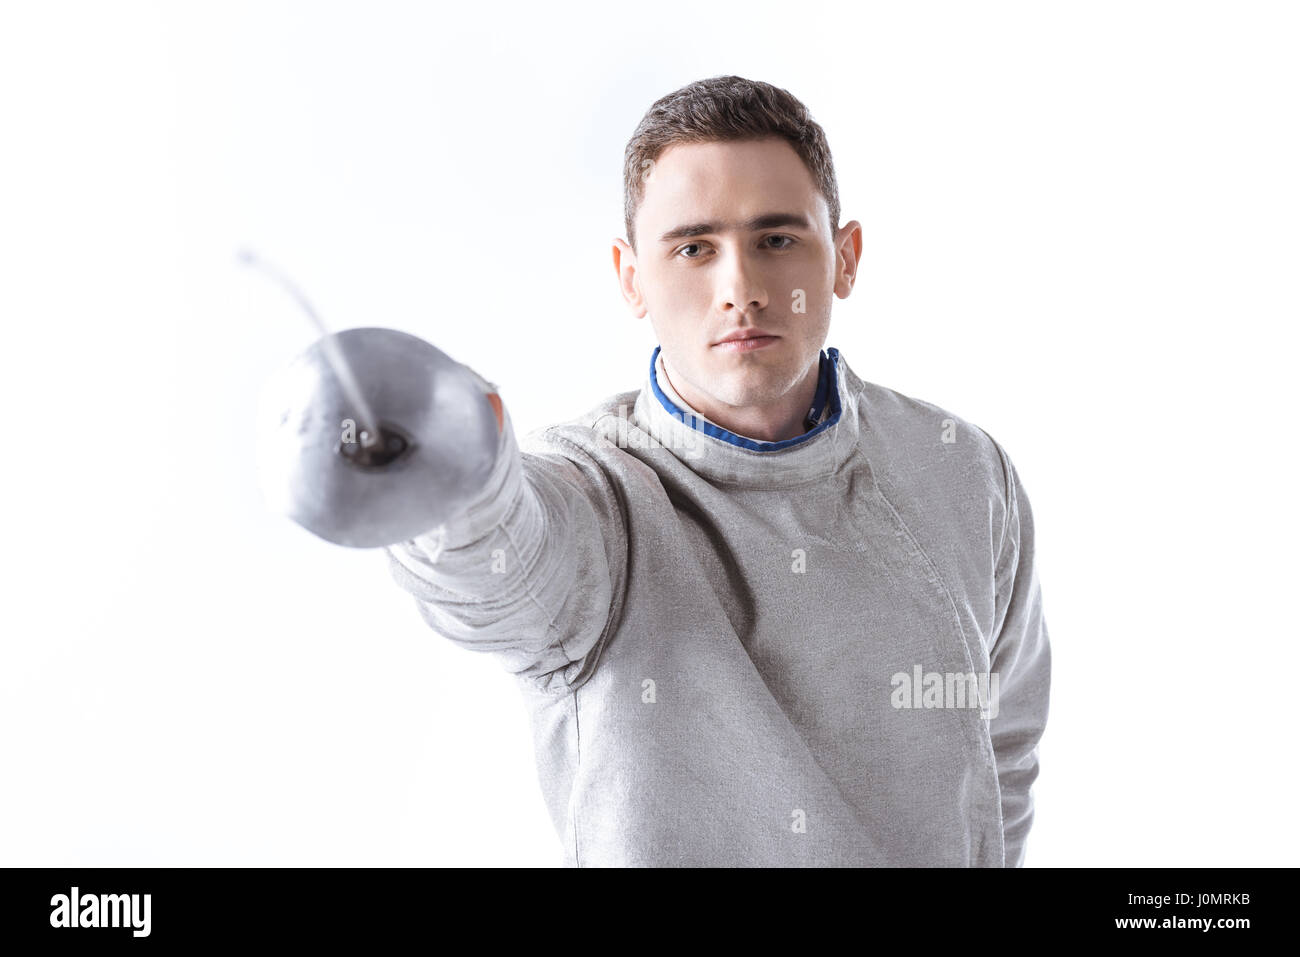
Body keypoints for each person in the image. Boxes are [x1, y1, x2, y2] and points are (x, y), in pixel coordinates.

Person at [384, 75, 1052, 867]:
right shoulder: (598, 496)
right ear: (631, 278)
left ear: (844, 257)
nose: (739, 289)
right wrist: (447, 473)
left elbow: (1004, 747)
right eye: (694, 247)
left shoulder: (962, 470)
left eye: (776, 239)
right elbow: (497, 574)